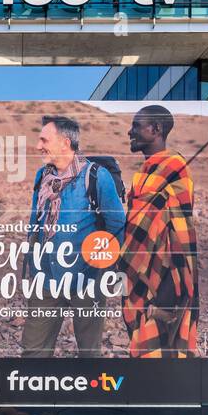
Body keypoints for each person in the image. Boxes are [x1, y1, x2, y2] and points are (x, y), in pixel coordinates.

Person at [21, 115, 126, 357]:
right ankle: (34, 391)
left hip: (86, 279)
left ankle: (89, 393)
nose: (38, 146)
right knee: (33, 349)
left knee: (89, 351)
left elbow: (116, 225)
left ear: (65, 143)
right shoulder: (42, 176)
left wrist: (102, 269)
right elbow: (35, 221)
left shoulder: (96, 176)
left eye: (44, 140)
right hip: (45, 277)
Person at [120, 104, 199, 357]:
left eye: (136, 126)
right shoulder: (142, 173)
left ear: (156, 129)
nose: (130, 132)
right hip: (137, 274)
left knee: (163, 353)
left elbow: (180, 233)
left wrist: (168, 291)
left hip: (165, 278)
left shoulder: (175, 168)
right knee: (140, 346)